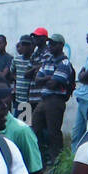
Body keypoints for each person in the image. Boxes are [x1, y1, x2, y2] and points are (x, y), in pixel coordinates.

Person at [30, 33, 72, 166]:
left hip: (55, 100)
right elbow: (37, 80)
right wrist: (48, 78)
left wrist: (46, 79)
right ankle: (41, 159)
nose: (50, 46)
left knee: (53, 132)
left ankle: (57, 162)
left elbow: (54, 84)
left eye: (53, 44)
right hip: (44, 99)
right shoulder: (48, 61)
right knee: (35, 128)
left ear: (61, 45)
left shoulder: (64, 62)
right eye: (49, 43)